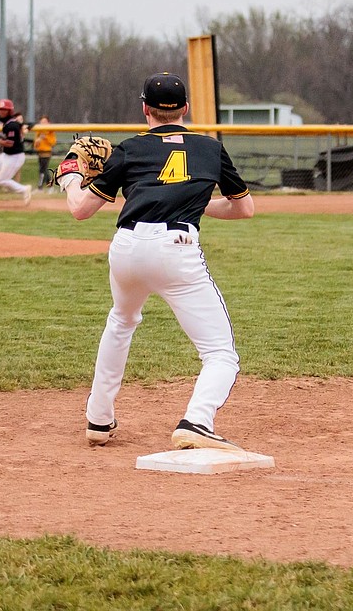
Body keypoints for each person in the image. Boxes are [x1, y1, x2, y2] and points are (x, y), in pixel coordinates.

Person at [58, 73, 254, 450]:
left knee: (122, 319)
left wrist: (69, 178)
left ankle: (98, 418)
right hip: (176, 247)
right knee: (220, 354)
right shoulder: (210, 148)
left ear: (145, 108)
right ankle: (197, 420)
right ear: (185, 109)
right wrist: (195, 202)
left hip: (127, 247)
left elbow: (81, 210)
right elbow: (244, 208)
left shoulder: (129, 148)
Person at [33, 115, 57, 190]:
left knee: (43, 169)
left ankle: (41, 187)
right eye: (42, 122)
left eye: (45, 122)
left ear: (48, 123)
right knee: (43, 169)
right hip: (40, 152)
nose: (43, 123)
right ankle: (49, 186)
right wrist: (38, 140)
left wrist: (45, 137)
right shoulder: (38, 131)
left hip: (47, 152)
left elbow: (53, 142)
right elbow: (35, 144)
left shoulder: (50, 131)